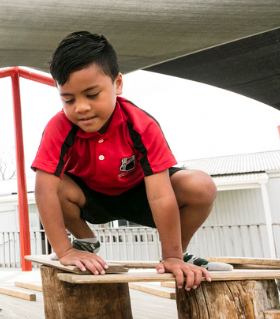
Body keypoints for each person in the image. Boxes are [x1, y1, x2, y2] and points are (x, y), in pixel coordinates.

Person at [32, 32, 232, 291]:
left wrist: (171, 256)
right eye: (68, 99)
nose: (80, 107)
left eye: (92, 95)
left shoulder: (140, 124)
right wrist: (64, 251)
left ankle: (178, 254)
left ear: (117, 84)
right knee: (48, 182)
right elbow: (44, 192)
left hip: (142, 195)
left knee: (200, 185)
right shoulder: (59, 127)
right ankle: (84, 241)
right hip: (90, 200)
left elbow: (160, 195)